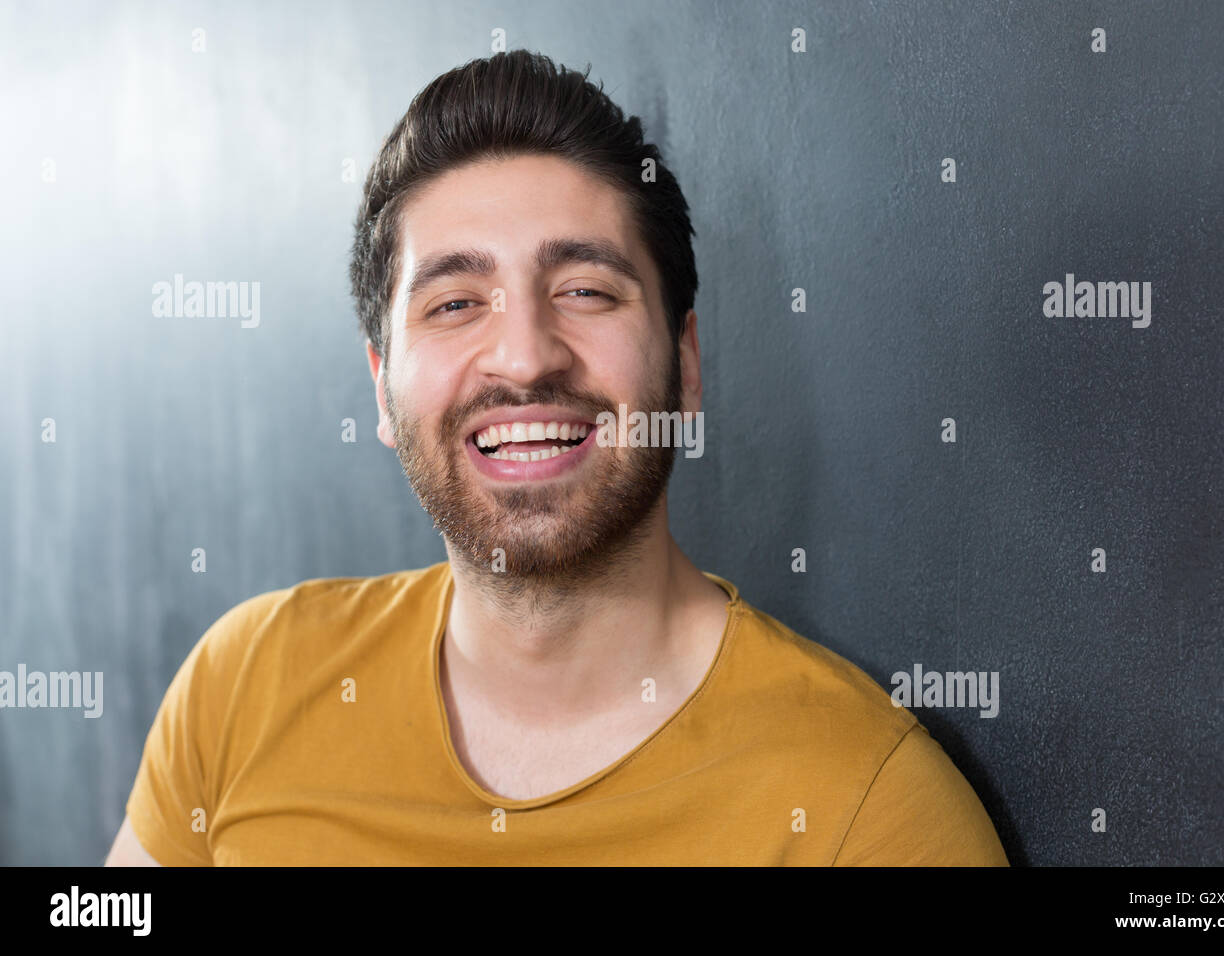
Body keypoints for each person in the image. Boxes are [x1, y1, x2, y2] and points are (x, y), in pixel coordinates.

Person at [106, 49, 1007, 866]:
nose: (527, 354)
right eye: (456, 303)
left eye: (584, 289)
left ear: (685, 366)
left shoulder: (871, 814)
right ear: (382, 390)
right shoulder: (241, 689)